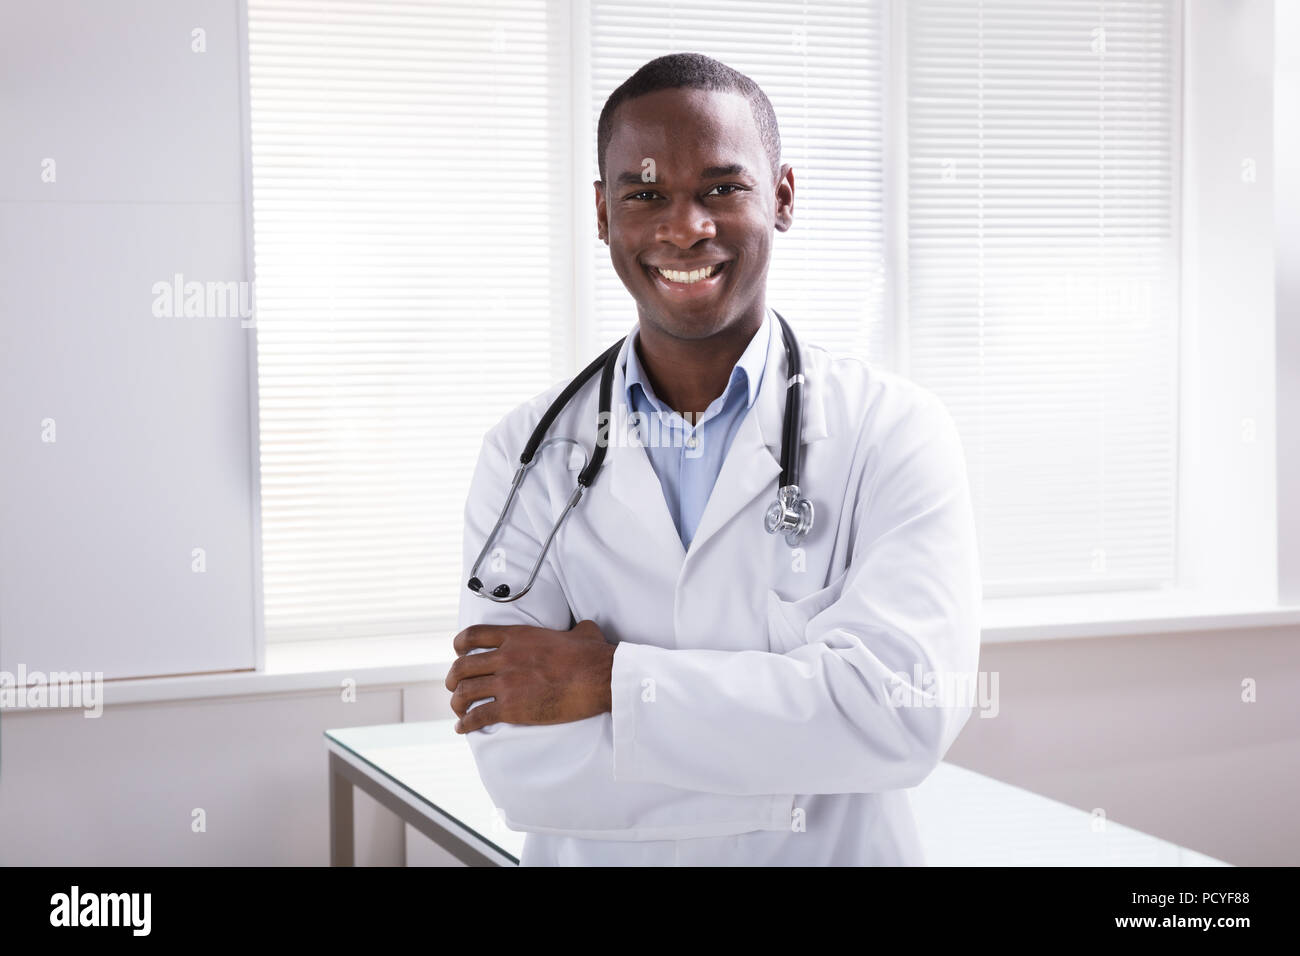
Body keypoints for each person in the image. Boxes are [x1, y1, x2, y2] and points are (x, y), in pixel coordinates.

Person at [443, 52, 982, 866]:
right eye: (645, 194)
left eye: (722, 189)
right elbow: (519, 767)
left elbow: (901, 717)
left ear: (783, 197)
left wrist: (612, 686)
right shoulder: (526, 458)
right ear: (602, 213)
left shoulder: (893, 432)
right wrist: (800, 755)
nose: (684, 227)